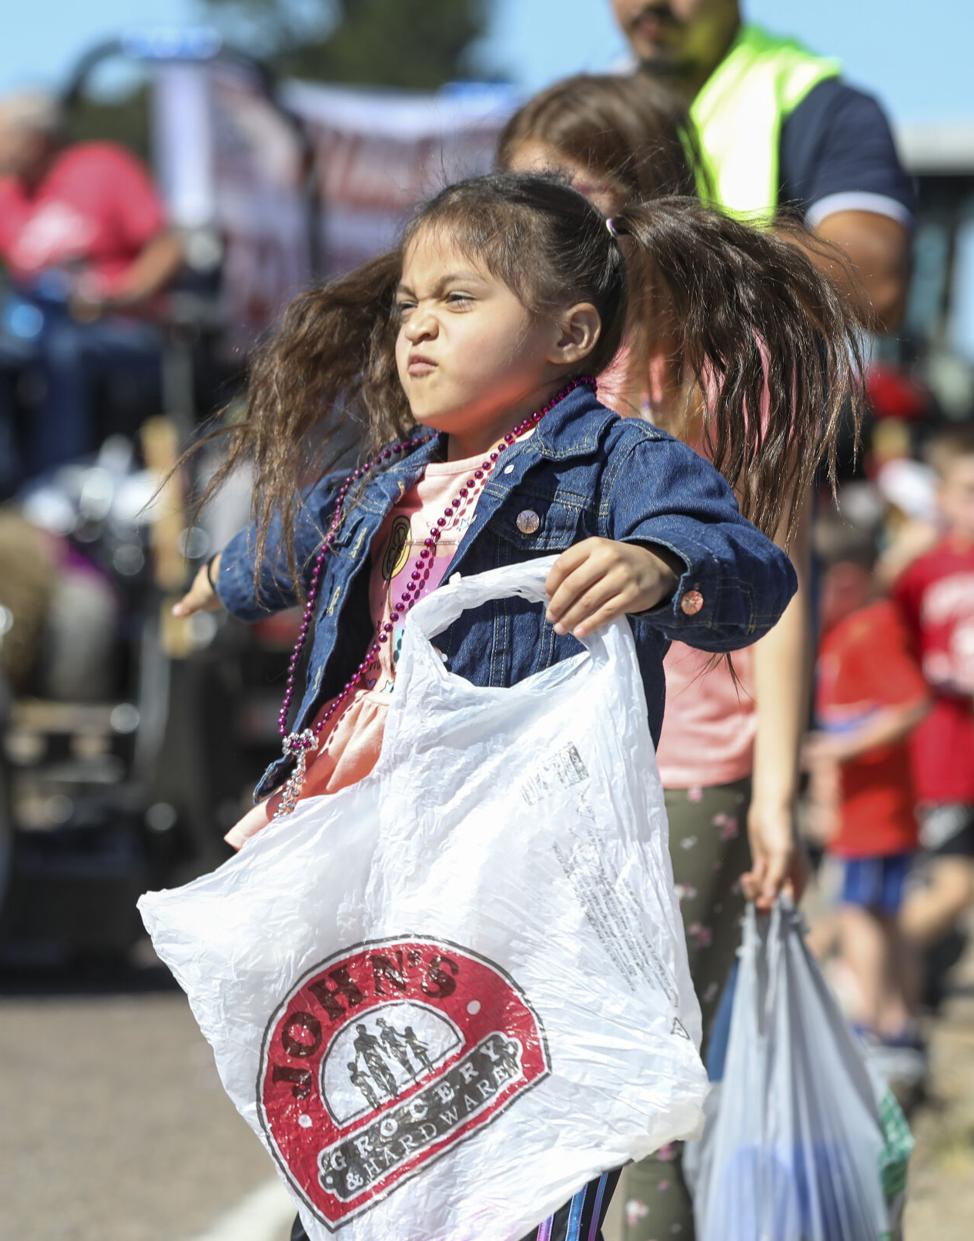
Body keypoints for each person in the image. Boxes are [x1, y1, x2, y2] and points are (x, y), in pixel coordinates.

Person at [174, 170, 861, 1240]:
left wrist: (653, 556)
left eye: (458, 300)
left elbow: (750, 568)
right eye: (408, 304)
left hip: (521, 881)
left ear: (569, 332)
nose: (417, 330)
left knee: (516, 1159)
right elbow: (294, 544)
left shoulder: (616, 462)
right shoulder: (378, 481)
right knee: (360, 1144)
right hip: (373, 864)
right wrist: (224, 573)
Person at [499, 75, 837, 1239]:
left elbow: (779, 582)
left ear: (643, 201)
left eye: (573, 190)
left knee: (638, 1098)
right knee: (533, 1088)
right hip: (539, 767)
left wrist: (778, 794)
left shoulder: (714, 364)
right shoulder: (522, 358)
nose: (543, 213)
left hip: (691, 767)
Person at [609, 0, 914, 331]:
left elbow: (875, 283)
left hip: (763, 380)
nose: (648, 3)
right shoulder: (580, 117)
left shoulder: (820, 104)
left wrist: (670, 251)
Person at [0, 91, 184, 484]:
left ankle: (58, 482)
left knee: (64, 350)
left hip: (125, 329)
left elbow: (169, 247)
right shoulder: (1, 196)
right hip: (38, 330)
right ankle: (0, 485)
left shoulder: (102, 168)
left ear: (35, 138)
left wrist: (117, 297)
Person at [804, 514, 928, 1077]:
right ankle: (899, 1024)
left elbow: (911, 704)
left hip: (873, 813)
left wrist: (838, 753)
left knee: (859, 915)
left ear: (847, 580)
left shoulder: (870, 628)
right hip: (867, 811)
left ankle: (875, 1027)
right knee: (881, 913)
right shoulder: (843, 632)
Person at [895, 425, 974, 965]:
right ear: (942, 498)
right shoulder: (922, 569)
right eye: (970, 492)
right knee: (951, 888)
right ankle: (859, 967)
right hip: (944, 758)